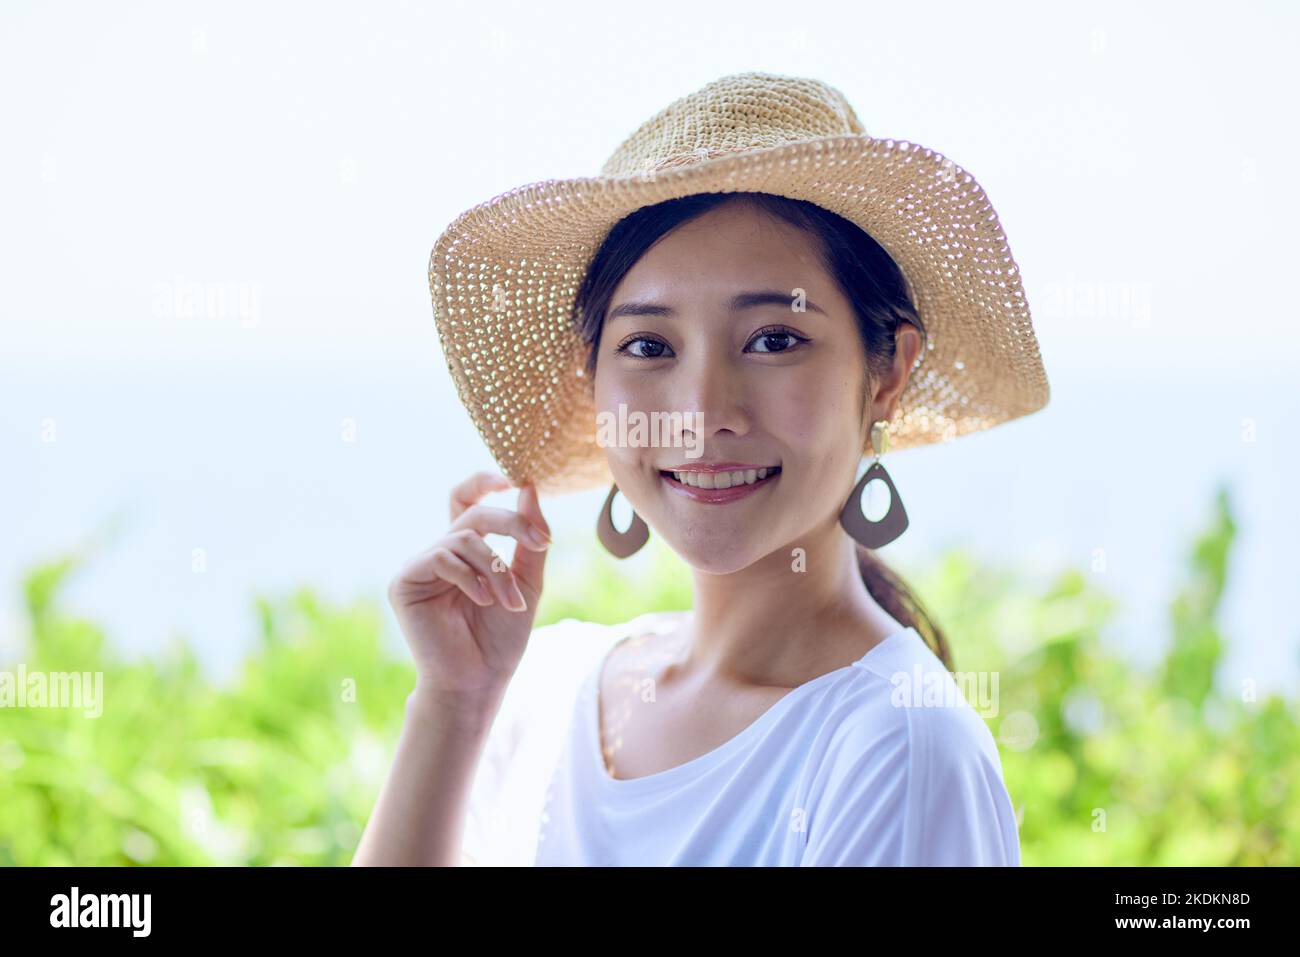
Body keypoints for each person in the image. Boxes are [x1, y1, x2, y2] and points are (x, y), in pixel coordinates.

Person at [352, 72, 1049, 867]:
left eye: (774, 339)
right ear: (594, 378)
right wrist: (455, 702)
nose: (703, 411)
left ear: (886, 372)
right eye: (649, 347)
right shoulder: (544, 687)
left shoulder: (898, 749)